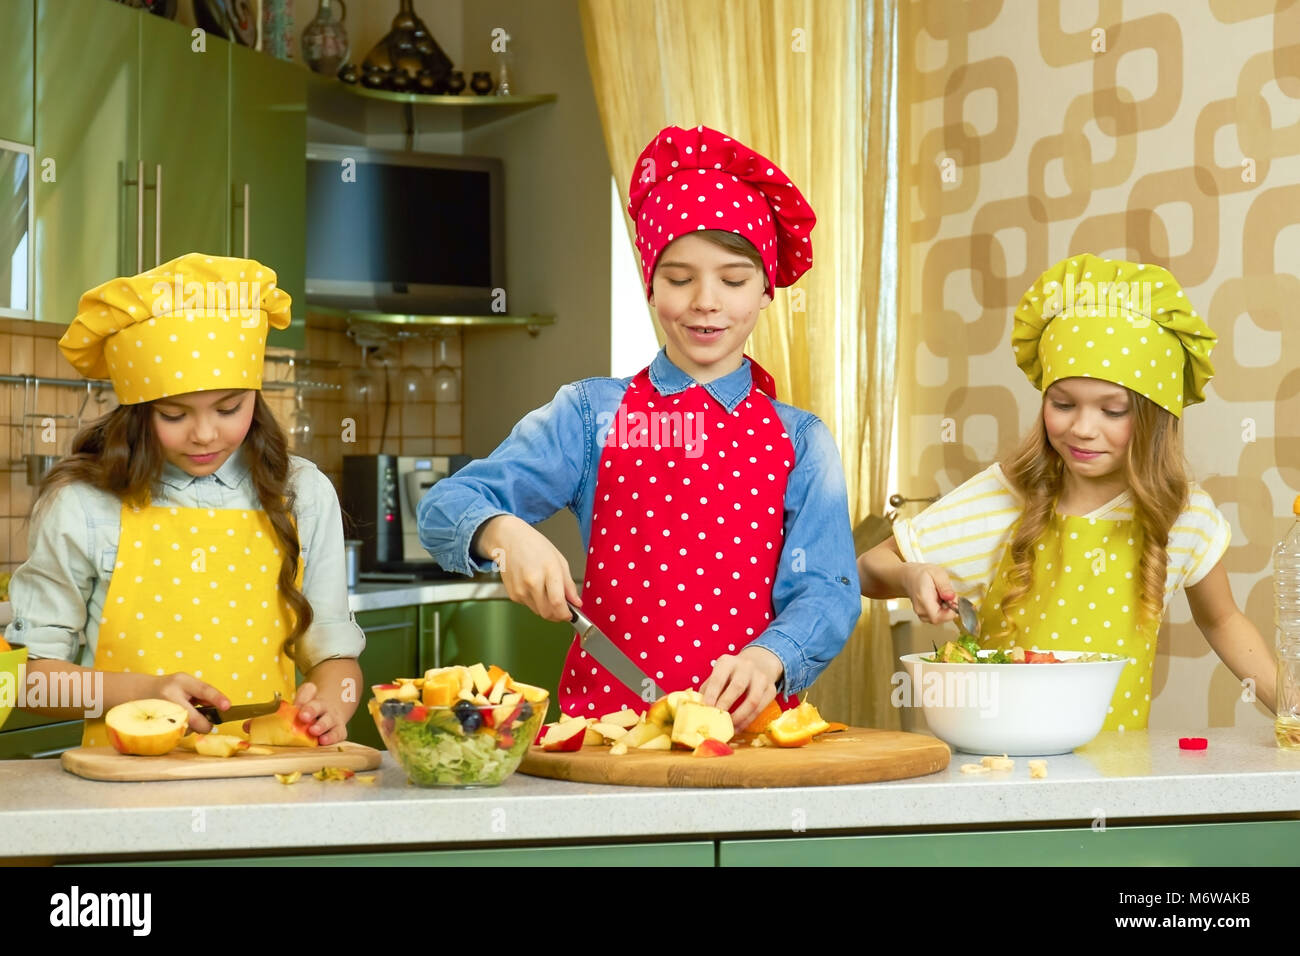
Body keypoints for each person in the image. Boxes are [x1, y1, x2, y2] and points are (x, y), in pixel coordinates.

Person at [419, 125, 861, 731]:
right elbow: (446, 505)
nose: (707, 301)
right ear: (651, 286)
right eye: (680, 278)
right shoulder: (589, 416)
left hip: (747, 742)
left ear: (766, 291)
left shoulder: (801, 439)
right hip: (604, 738)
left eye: (733, 280)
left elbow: (829, 590)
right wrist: (503, 533)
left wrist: (770, 655)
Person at [859, 253, 1276, 730]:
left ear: (1155, 418)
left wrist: (1290, 705)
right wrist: (912, 575)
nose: (1082, 428)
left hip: (1118, 776)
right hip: (1000, 769)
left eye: (1112, 411)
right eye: (1063, 404)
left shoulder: (1183, 515)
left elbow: (1222, 621)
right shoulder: (1003, 498)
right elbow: (869, 568)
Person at [5, 253, 365, 746]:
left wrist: (331, 703)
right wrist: (145, 690)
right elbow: (29, 684)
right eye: (174, 414)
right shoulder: (83, 504)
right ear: (137, 412)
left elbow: (333, 657)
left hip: (266, 776)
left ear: (256, 398)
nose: (204, 434)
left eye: (229, 407)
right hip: (125, 783)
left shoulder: (301, 492)